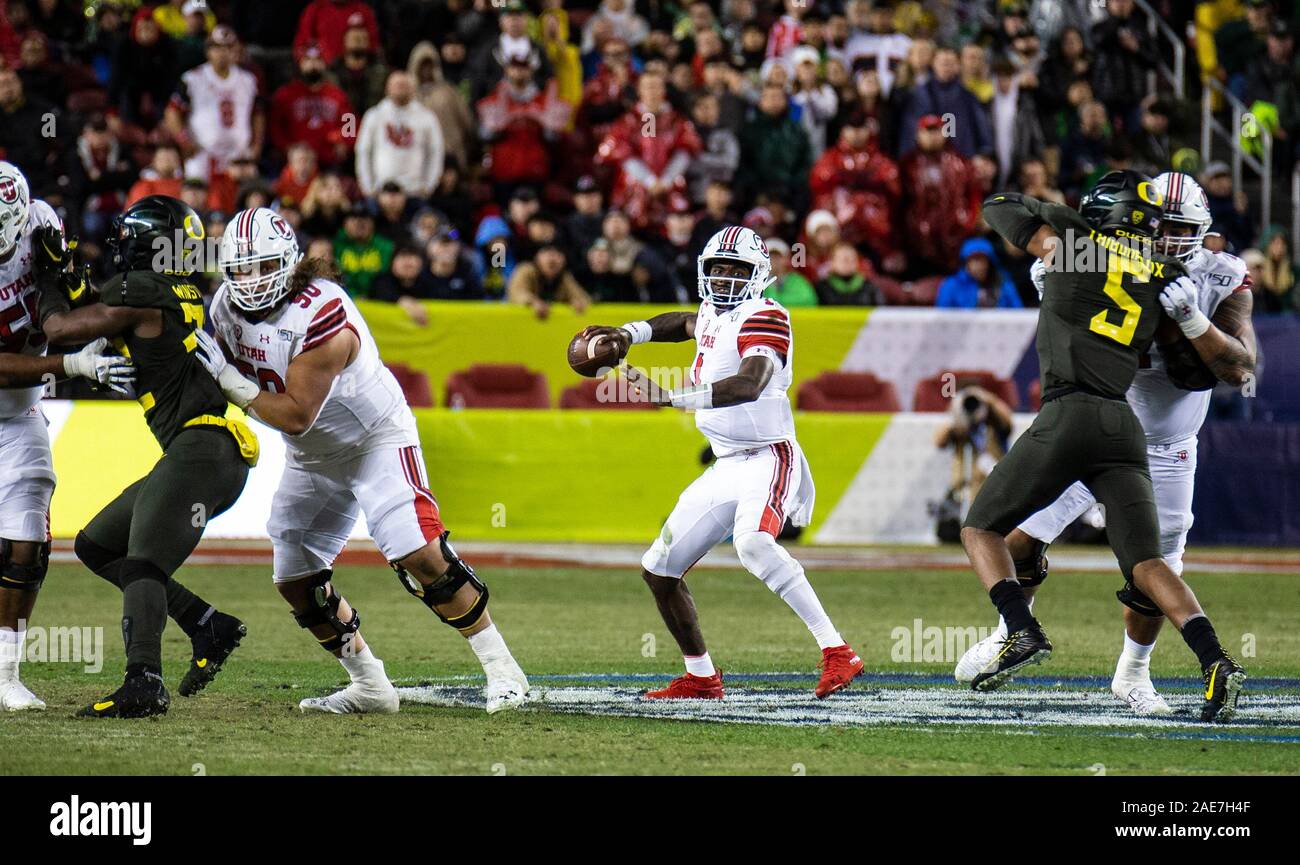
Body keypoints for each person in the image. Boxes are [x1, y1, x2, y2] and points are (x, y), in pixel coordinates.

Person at [204, 208, 529, 714]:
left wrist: (228, 381)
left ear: (288, 263)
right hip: (311, 458)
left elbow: (294, 414)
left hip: (374, 440)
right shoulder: (224, 306)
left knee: (420, 555)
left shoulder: (322, 312)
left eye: (262, 266)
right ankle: (371, 685)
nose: (248, 281)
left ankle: (503, 669)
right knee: (294, 577)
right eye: (240, 269)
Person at [958, 172, 1258, 715]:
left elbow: (1234, 367)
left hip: (1158, 442)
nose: (1168, 238)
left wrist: (1193, 320)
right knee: (1028, 542)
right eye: (1160, 227)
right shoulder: (1133, 265)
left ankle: (1132, 674)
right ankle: (1011, 634)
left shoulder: (1214, 274)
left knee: (1155, 564)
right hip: (1119, 426)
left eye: (1180, 229)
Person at [580, 226, 864, 700]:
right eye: (718, 269)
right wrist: (631, 333)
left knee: (753, 544)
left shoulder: (767, 314)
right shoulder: (714, 310)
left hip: (769, 455)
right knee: (659, 570)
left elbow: (748, 384)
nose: (726, 279)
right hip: (727, 463)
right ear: (703, 271)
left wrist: (671, 399)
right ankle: (701, 676)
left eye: (737, 270)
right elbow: (685, 322)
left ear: (757, 276)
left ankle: (838, 652)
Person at [37, 195, 256, 718]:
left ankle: (144, 682)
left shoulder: (140, 290)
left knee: (143, 561)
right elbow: (106, 313)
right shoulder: (172, 288)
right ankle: (206, 623)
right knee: (96, 545)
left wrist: (50, 283)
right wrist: (74, 284)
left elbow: (59, 331)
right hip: (201, 450)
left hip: (201, 450)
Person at [0, 162, 137, 712]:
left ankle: (5, 675)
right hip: (22, 383)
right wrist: (71, 365)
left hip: (20, 413)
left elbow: (72, 304)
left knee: (26, 546)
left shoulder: (40, 226)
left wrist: (75, 280)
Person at [936, 237, 1022, 308]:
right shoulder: (952, 285)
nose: (979, 265)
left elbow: (1017, 311)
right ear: (966, 263)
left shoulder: (1003, 283)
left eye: (982, 260)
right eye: (974, 260)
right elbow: (942, 317)